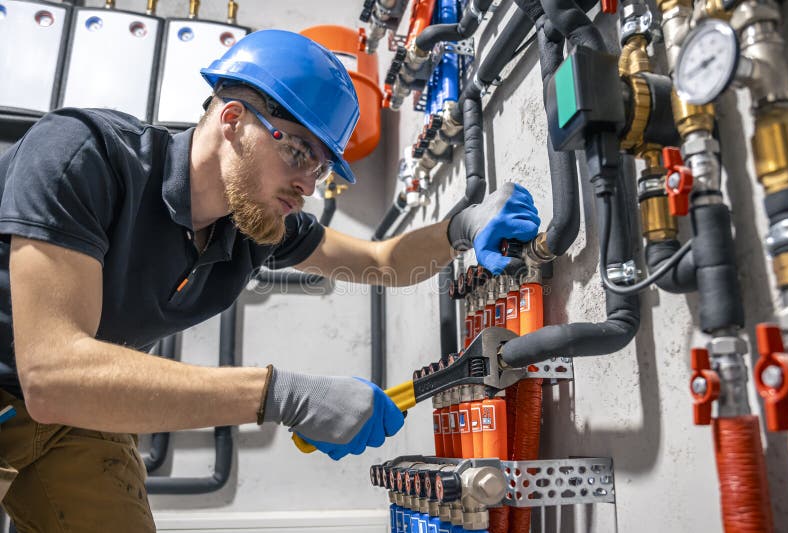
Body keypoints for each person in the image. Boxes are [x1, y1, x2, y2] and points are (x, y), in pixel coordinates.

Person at [0, 29, 540, 531]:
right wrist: (284, 395)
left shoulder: (254, 225)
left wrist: (462, 227)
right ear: (232, 118)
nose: (307, 183)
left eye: (321, 167)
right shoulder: (82, 155)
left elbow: (380, 262)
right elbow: (54, 374)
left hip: (83, 416)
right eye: (298, 151)